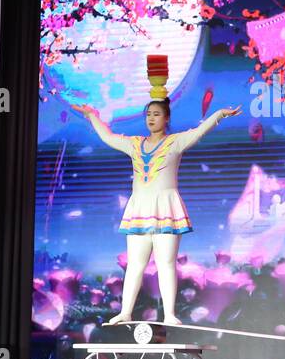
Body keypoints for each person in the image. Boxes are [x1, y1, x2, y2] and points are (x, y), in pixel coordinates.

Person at [75, 98, 241, 326]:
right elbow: (108, 137)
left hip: (166, 208)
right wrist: (92, 115)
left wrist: (220, 114)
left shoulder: (175, 142)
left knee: (166, 263)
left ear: (167, 118)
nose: (151, 118)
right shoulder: (134, 144)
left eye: (156, 114)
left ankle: (170, 314)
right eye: (148, 115)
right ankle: (125, 312)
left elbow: (201, 130)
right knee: (135, 264)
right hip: (140, 209)